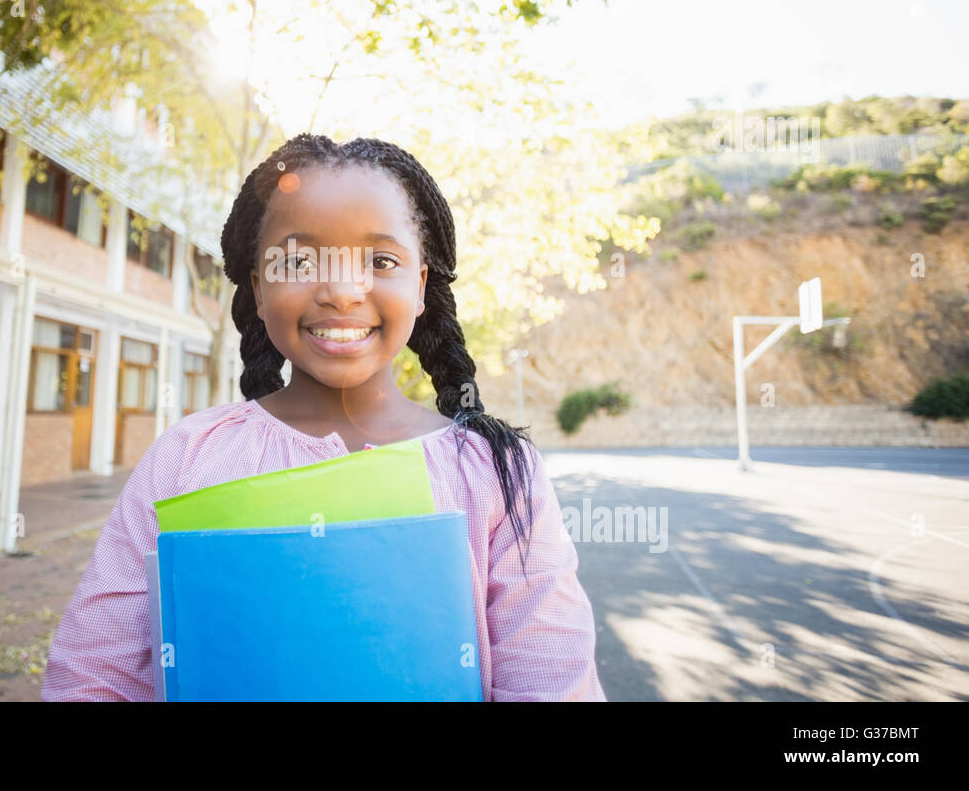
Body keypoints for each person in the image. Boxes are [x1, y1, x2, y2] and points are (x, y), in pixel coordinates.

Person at [41, 133, 607, 701]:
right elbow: (94, 676)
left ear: (420, 285)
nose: (341, 290)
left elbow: (551, 679)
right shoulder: (187, 458)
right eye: (297, 261)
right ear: (259, 290)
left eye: (381, 260)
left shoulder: (493, 473)